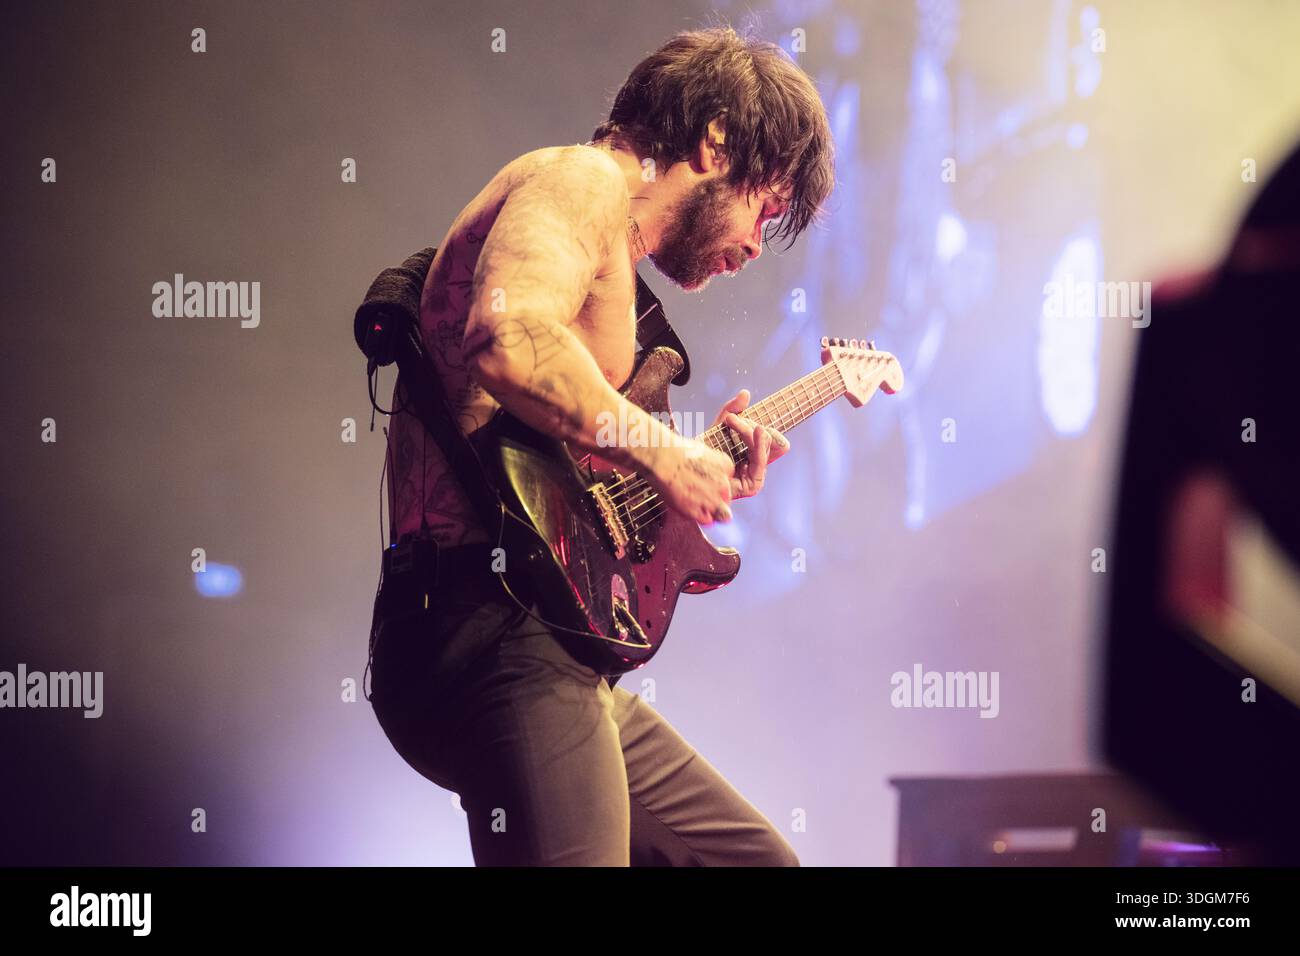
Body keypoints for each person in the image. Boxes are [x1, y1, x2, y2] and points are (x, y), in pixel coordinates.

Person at [368, 25, 835, 865]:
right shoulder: (582, 180)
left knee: (754, 861)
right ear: (715, 138)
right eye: (765, 207)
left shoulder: (615, 258)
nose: (756, 245)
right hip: (491, 629)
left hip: (540, 631)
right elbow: (507, 339)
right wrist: (663, 450)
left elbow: (565, 485)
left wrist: (698, 464)